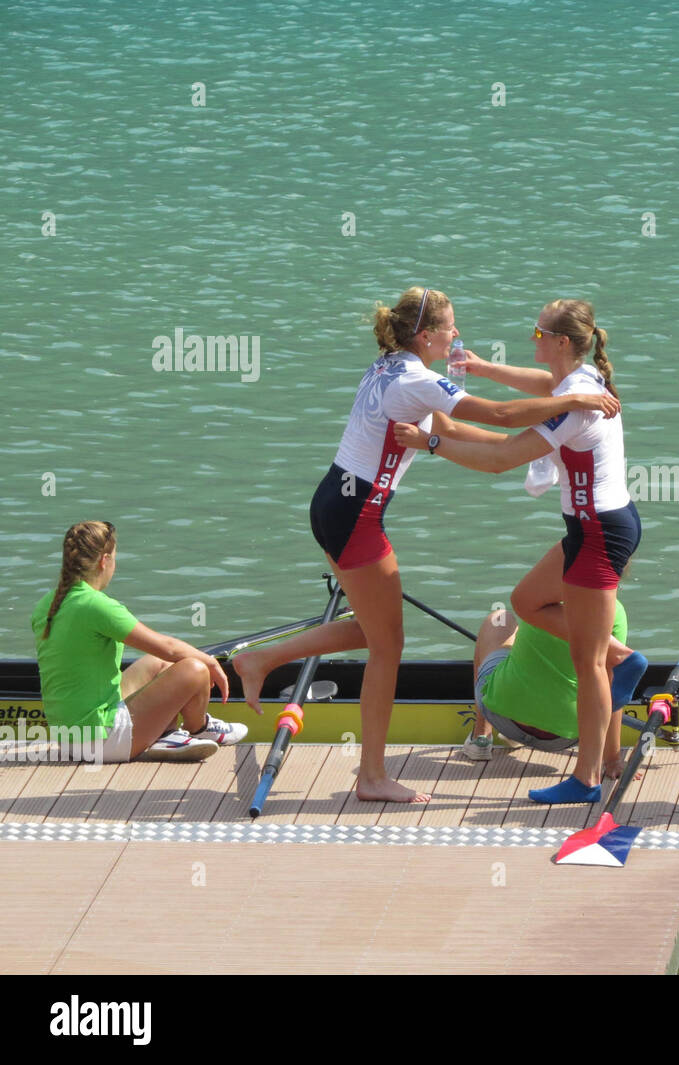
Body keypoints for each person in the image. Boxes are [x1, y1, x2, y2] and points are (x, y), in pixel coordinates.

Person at [233, 286, 620, 804]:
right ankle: (371, 776)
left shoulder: (391, 366)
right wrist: (568, 402)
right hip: (358, 515)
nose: (457, 334)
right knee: (388, 646)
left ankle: (262, 661)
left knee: (373, 632)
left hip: (331, 502)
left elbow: (453, 428)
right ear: (427, 334)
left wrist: (525, 451)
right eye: (450, 327)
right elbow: (500, 417)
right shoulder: (416, 378)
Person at [394, 298, 645, 804]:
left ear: (561, 343)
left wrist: (431, 444)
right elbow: (538, 386)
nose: (531, 338)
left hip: (599, 533)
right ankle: (621, 658)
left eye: (537, 332)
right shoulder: (579, 381)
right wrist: (482, 368)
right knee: (526, 601)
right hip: (593, 526)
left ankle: (587, 779)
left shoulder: (575, 404)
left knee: (589, 663)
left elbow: (502, 456)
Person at [30, 521, 241, 764]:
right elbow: (169, 647)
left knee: (158, 663)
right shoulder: (96, 605)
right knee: (195, 669)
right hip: (102, 742)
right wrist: (211, 664)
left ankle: (167, 735)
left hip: (68, 737)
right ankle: (199, 727)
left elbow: (164, 654)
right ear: (104, 560)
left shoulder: (48, 602)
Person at [466, 601, 646, 799]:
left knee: (499, 618)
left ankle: (481, 738)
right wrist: (612, 759)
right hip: (564, 737)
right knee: (600, 676)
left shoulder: (537, 597)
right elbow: (610, 688)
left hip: (502, 715)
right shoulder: (614, 611)